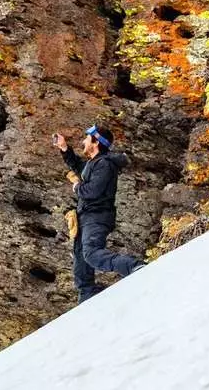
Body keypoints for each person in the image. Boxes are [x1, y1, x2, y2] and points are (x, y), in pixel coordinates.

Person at [52, 124, 142, 302]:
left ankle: (134, 266)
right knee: (80, 260)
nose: (83, 141)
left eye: (87, 138)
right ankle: (87, 296)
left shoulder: (105, 164)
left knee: (91, 253)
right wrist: (64, 148)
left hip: (97, 216)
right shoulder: (94, 163)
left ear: (96, 141)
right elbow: (78, 165)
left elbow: (93, 190)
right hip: (85, 216)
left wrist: (78, 187)